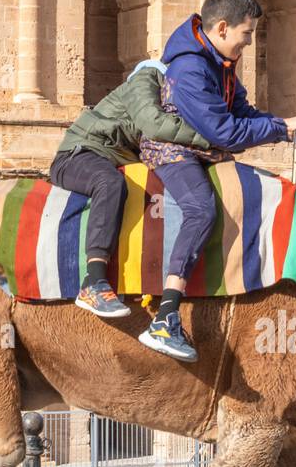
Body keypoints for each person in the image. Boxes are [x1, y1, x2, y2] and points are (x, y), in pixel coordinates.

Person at [137, 0, 296, 361]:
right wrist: (279, 130)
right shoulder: (191, 69)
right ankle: (166, 317)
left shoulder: (221, 66)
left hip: (203, 152)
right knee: (201, 209)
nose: (247, 44)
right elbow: (225, 132)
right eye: (245, 36)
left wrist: (282, 123)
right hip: (173, 151)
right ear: (222, 28)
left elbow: (242, 113)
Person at [49, 61, 212, 318]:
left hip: (106, 158)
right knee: (110, 182)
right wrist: (210, 140)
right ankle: (93, 281)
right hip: (77, 156)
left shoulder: (165, 98)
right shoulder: (146, 79)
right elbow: (153, 124)